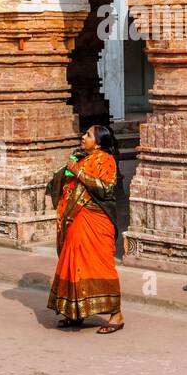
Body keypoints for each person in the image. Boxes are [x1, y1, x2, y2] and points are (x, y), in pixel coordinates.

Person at [45, 123, 125, 333]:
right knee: (73, 264)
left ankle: (116, 315)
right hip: (76, 220)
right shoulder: (80, 157)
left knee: (99, 265)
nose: (83, 137)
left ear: (98, 144)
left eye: (88, 135)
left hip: (95, 220)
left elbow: (105, 189)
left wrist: (78, 171)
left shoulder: (106, 160)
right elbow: (63, 181)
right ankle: (76, 312)